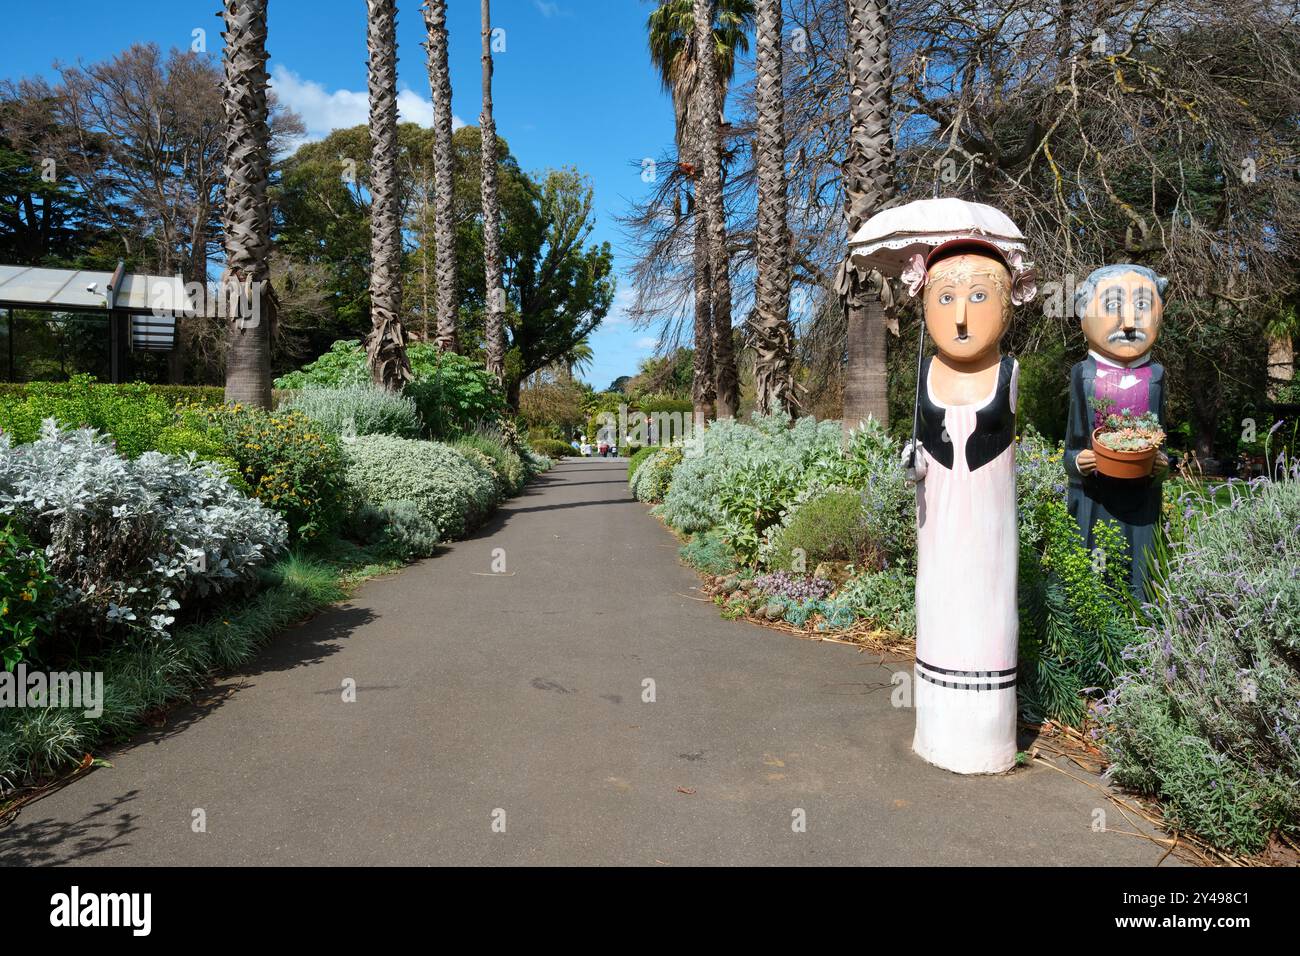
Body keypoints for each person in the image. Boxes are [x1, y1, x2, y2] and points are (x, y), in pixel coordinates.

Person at [901, 236, 1035, 774]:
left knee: (986, 615)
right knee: (939, 608)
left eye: (978, 297)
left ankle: (984, 739)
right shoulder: (922, 374)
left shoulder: (1009, 373)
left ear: (1006, 304)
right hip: (936, 529)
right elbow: (919, 447)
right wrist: (910, 458)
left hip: (990, 529)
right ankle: (936, 732)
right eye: (945, 298)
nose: (959, 317)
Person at [1064, 264, 1170, 603]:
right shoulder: (1084, 374)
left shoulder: (1155, 375)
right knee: (1095, 573)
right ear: (1084, 312)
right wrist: (1077, 462)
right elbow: (1071, 445)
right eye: (1111, 306)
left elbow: (1163, 439)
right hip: (1095, 498)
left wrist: (1162, 466)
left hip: (1143, 500)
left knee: (1142, 573)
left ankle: (1144, 633)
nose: (1128, 323)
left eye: (1141, 306)